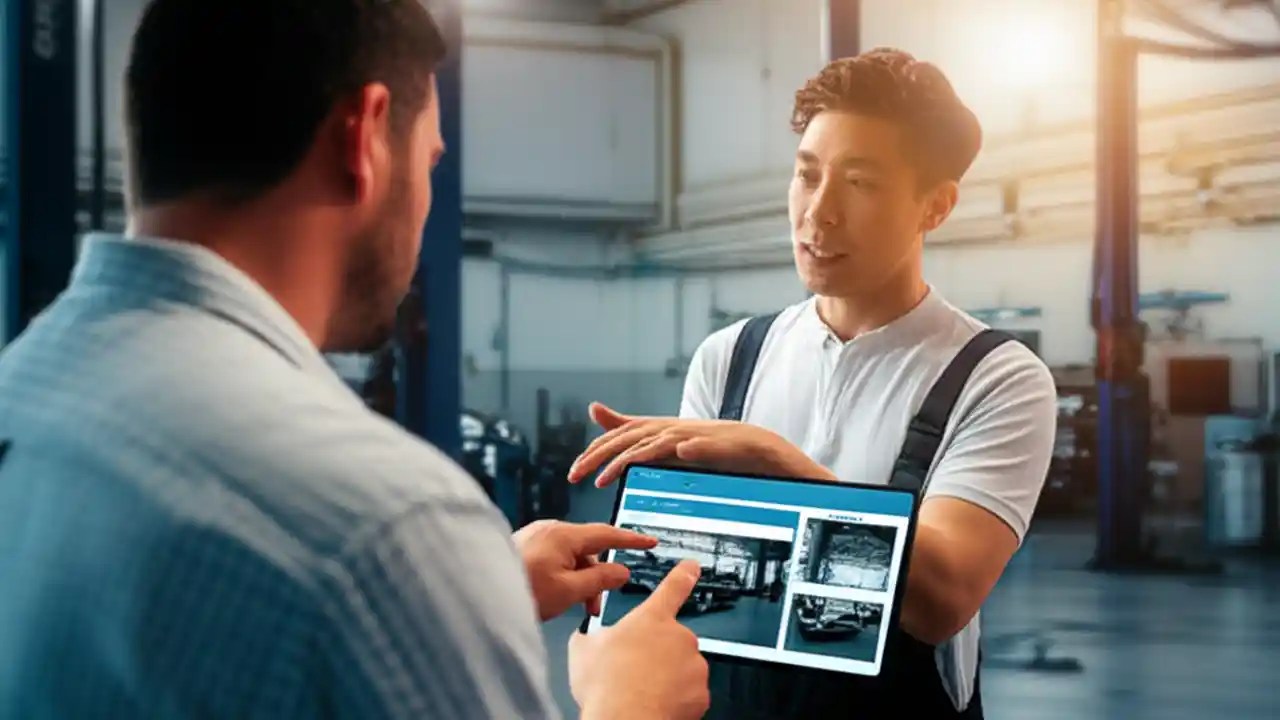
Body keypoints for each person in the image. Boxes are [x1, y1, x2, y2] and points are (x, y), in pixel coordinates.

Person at [0, 2, 710, 719]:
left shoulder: (30, 385)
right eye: (431, 159)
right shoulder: (383, 526)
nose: (428, 198)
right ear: (363, 137)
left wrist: (457, 599)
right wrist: (632, 705)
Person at [568, 48, 1059, 718]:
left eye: (860, 183)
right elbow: (691, 580)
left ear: (935, 207)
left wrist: (777, 464)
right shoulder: (730, 356)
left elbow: (941, 601)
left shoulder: (994, 377)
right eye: (807, 175)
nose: (818, 213)